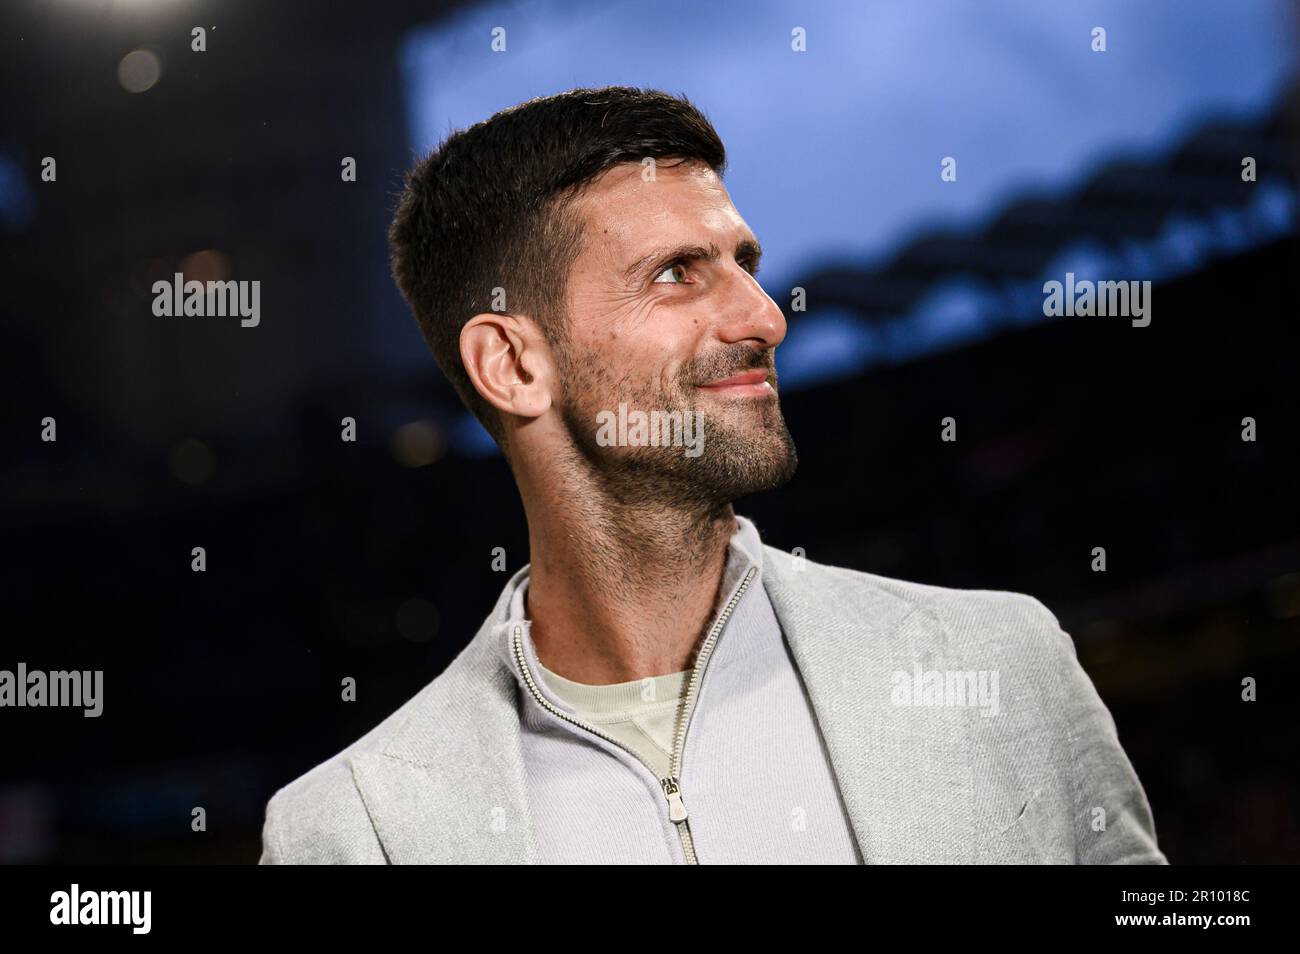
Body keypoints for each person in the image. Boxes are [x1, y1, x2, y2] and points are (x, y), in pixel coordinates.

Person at [258, 86, 1165, 864]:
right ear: (512, 365)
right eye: (676, 275)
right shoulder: (350, 831)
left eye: (745, 264)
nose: (766, 317)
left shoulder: (1003, 663)